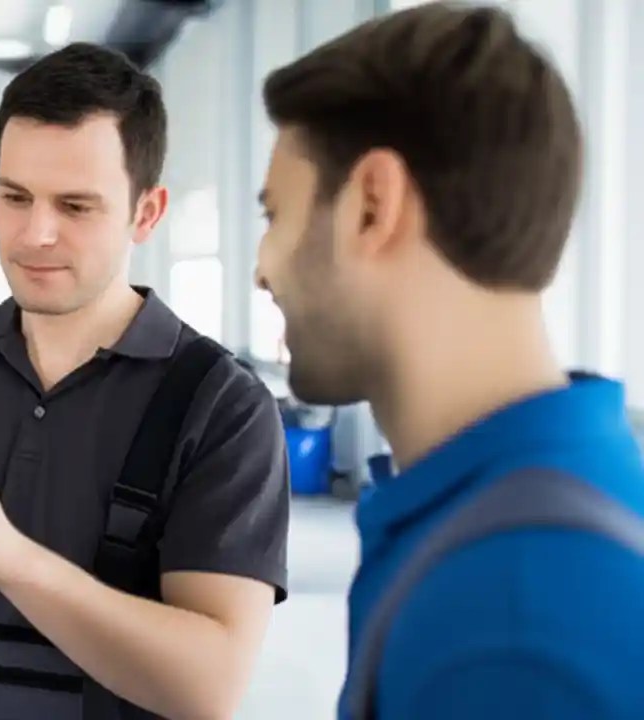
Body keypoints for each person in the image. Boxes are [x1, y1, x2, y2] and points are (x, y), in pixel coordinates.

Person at [0, 42, 288, 720]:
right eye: (14, 197)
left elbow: (209, 687)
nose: (35, 234)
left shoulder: (222, 408)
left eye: (75, 206)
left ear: (146, 213)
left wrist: (11, 556)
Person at [254, 4, 644, 719]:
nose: (263, 267)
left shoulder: (514, 618)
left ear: (373, 204)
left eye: (275, 214)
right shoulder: (550, 499)